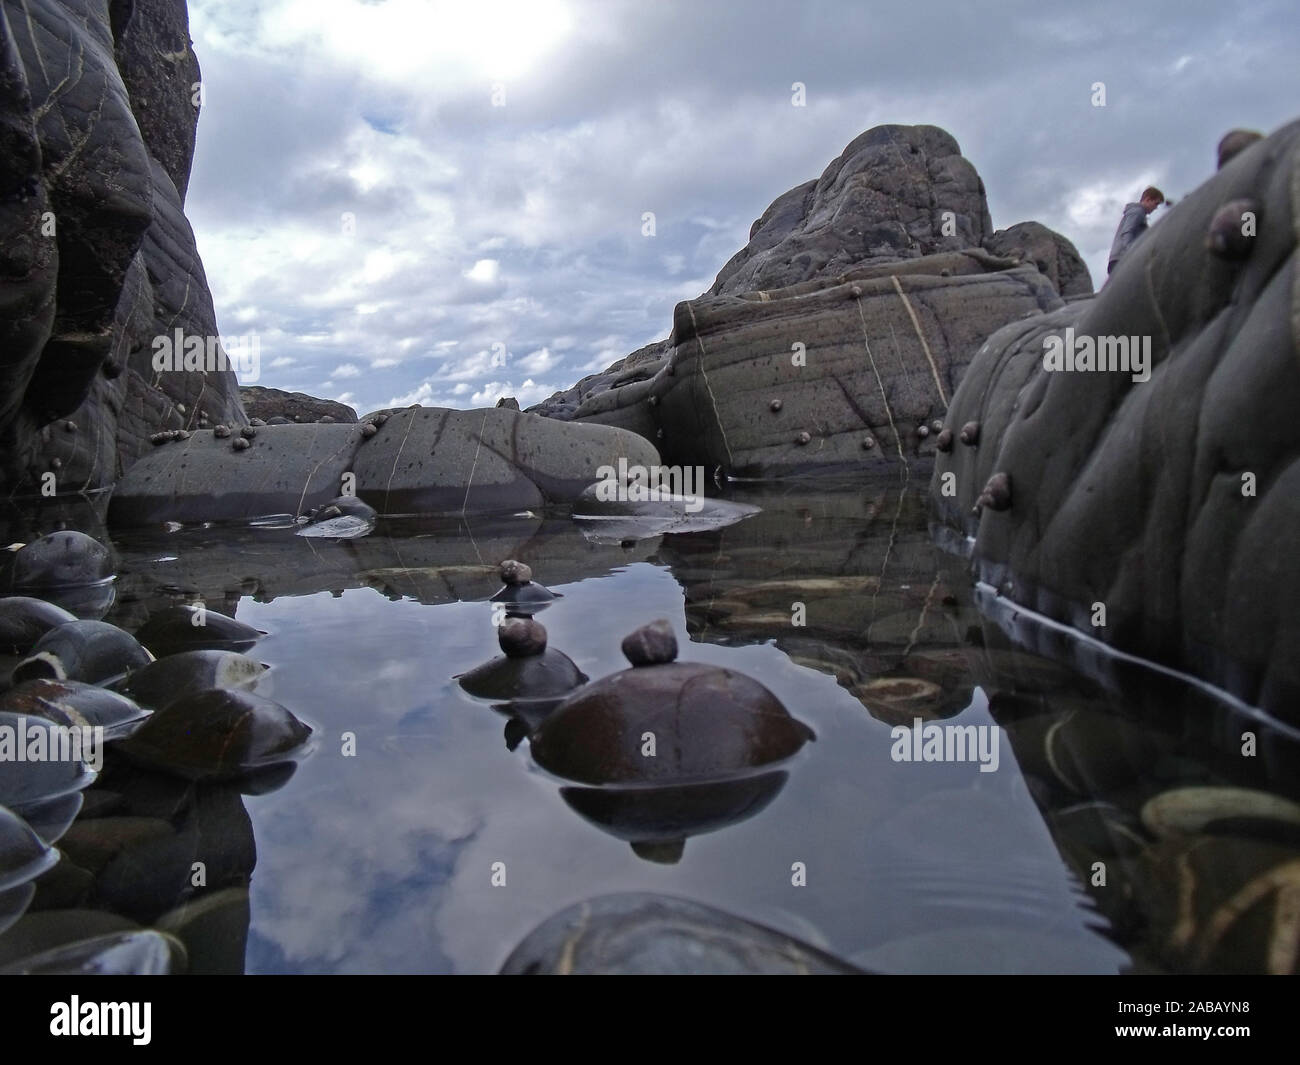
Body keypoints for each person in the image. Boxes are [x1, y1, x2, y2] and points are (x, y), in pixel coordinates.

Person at [1107, 186, 1165, 276]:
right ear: (1148, 199)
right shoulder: (1137, 212)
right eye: (1156, 203)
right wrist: (1132, 252)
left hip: (1119, 259)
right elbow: (1127, 232)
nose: (1156, 208)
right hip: (1122, 259)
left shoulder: (1138, 213)